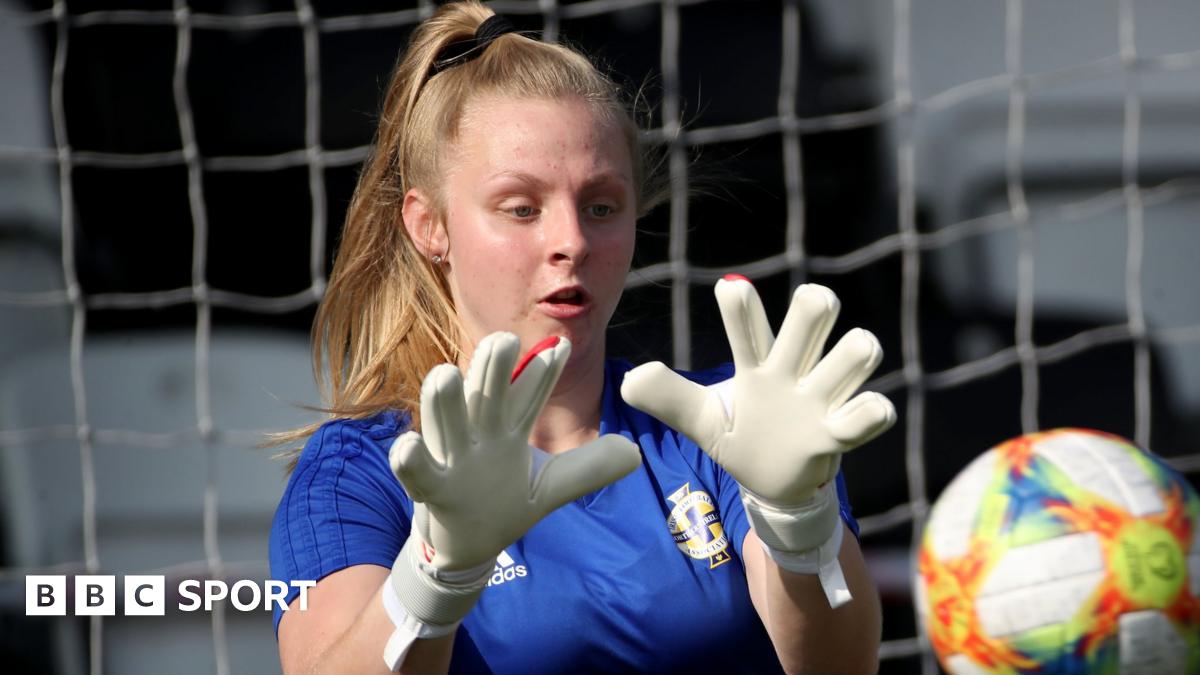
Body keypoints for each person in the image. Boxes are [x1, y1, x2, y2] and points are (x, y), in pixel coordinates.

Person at [269, 2, 896, 673]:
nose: (571, 241)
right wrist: (436, 572)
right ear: (430, 225)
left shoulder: (722, 425)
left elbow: (837, 665)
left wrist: (799, 519)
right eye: (521, 208)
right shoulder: (360, 471)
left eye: (601, 206)